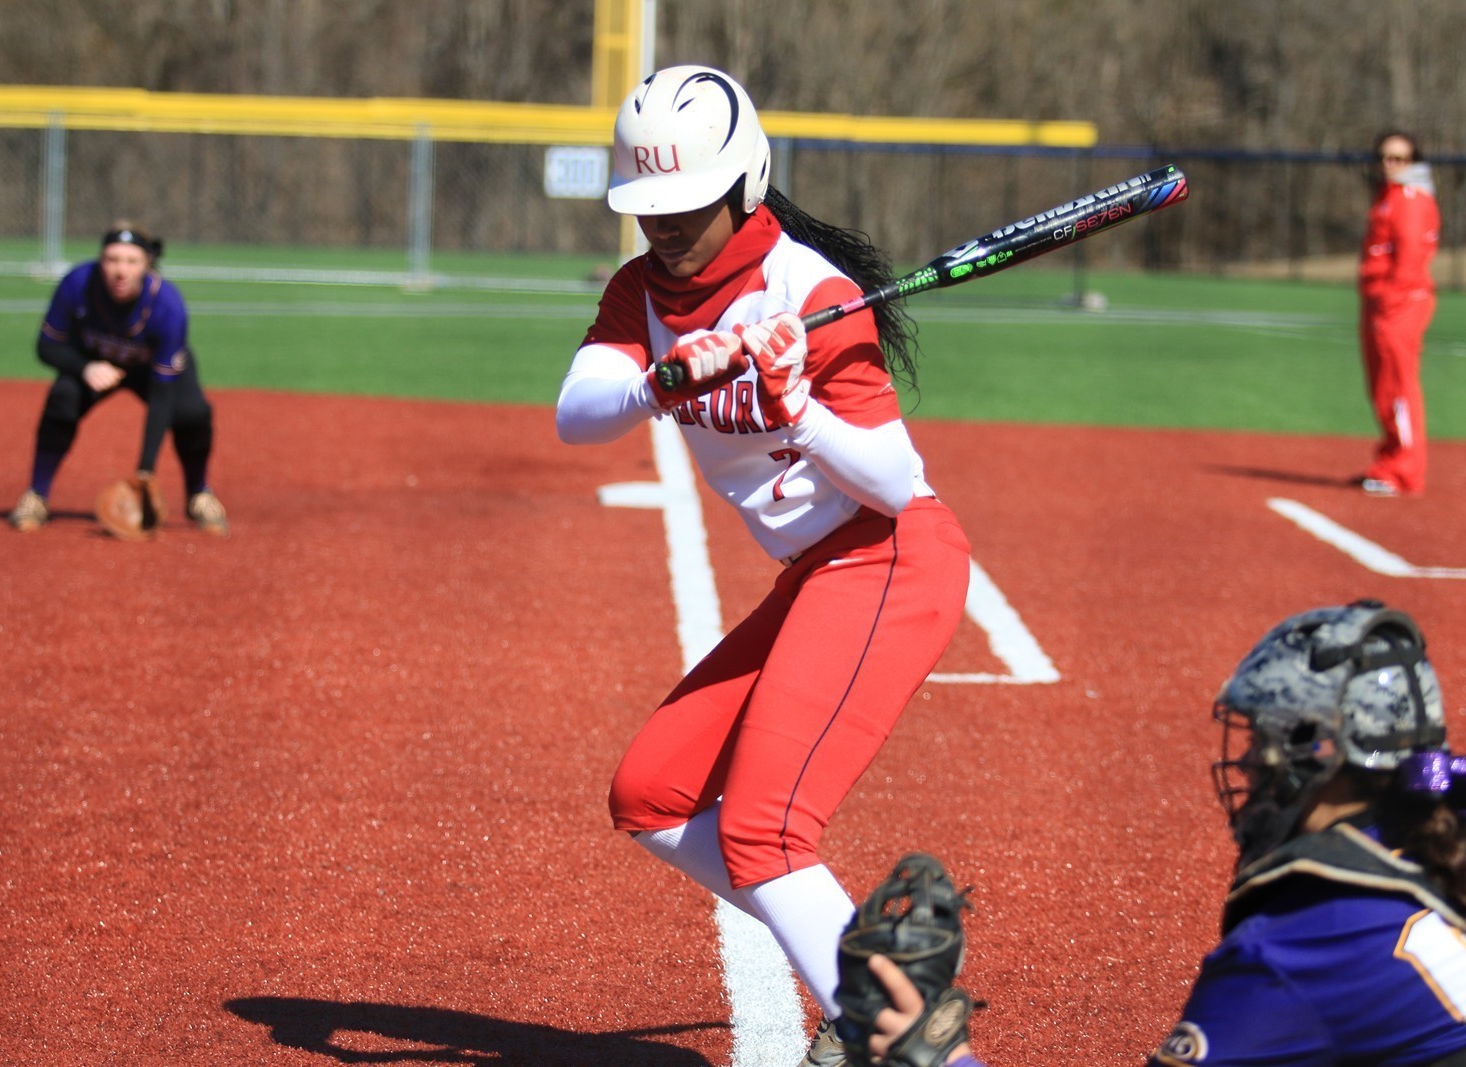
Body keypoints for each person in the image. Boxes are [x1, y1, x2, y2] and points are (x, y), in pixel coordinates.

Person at [555, 65, 971, 1067]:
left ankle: (908, 1040)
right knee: (652, 792)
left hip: (887, 556)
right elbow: (576, 414)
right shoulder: (640, 294)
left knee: (765, 831)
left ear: (744, 182)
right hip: (811, 574)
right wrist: (663, 378)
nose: (662, 226)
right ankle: (873, 969)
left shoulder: (810, 291)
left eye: (684, 205)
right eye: (646, 206)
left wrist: (800, 411)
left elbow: (892, 479)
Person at [848, 600, 1466, 1067]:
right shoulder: (1440, 838)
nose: (1249, 763)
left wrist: (942, 1056)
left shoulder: (1298, 944)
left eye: (1265, 741)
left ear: (1319, 756)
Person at [7, 222, 229, 535]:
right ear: (101, 260)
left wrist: (145, 472)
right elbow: (46, 347)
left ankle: (199, 494)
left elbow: (163, 395)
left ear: (147, 264)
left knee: (193, 413)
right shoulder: (77, 284)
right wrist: (84, 368)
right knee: (63, 398)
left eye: (131, 261)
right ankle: (36, 495)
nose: (120, 271)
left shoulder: (168, 306)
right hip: (97, 367)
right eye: (112, 259)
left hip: (151, 372)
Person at [1356, 130, 1439, 497]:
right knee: (1381, 388)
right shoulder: (1386, 197)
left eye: (1400, 159)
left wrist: (1390, 302)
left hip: (1400, 304)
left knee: (1398, 389)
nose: (1391, 165)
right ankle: (1388, 461)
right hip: (1380, 300)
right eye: (1386, 157)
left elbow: (1408, 259)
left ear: (1413, 162)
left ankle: (1405, 469)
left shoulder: (1411, 199)